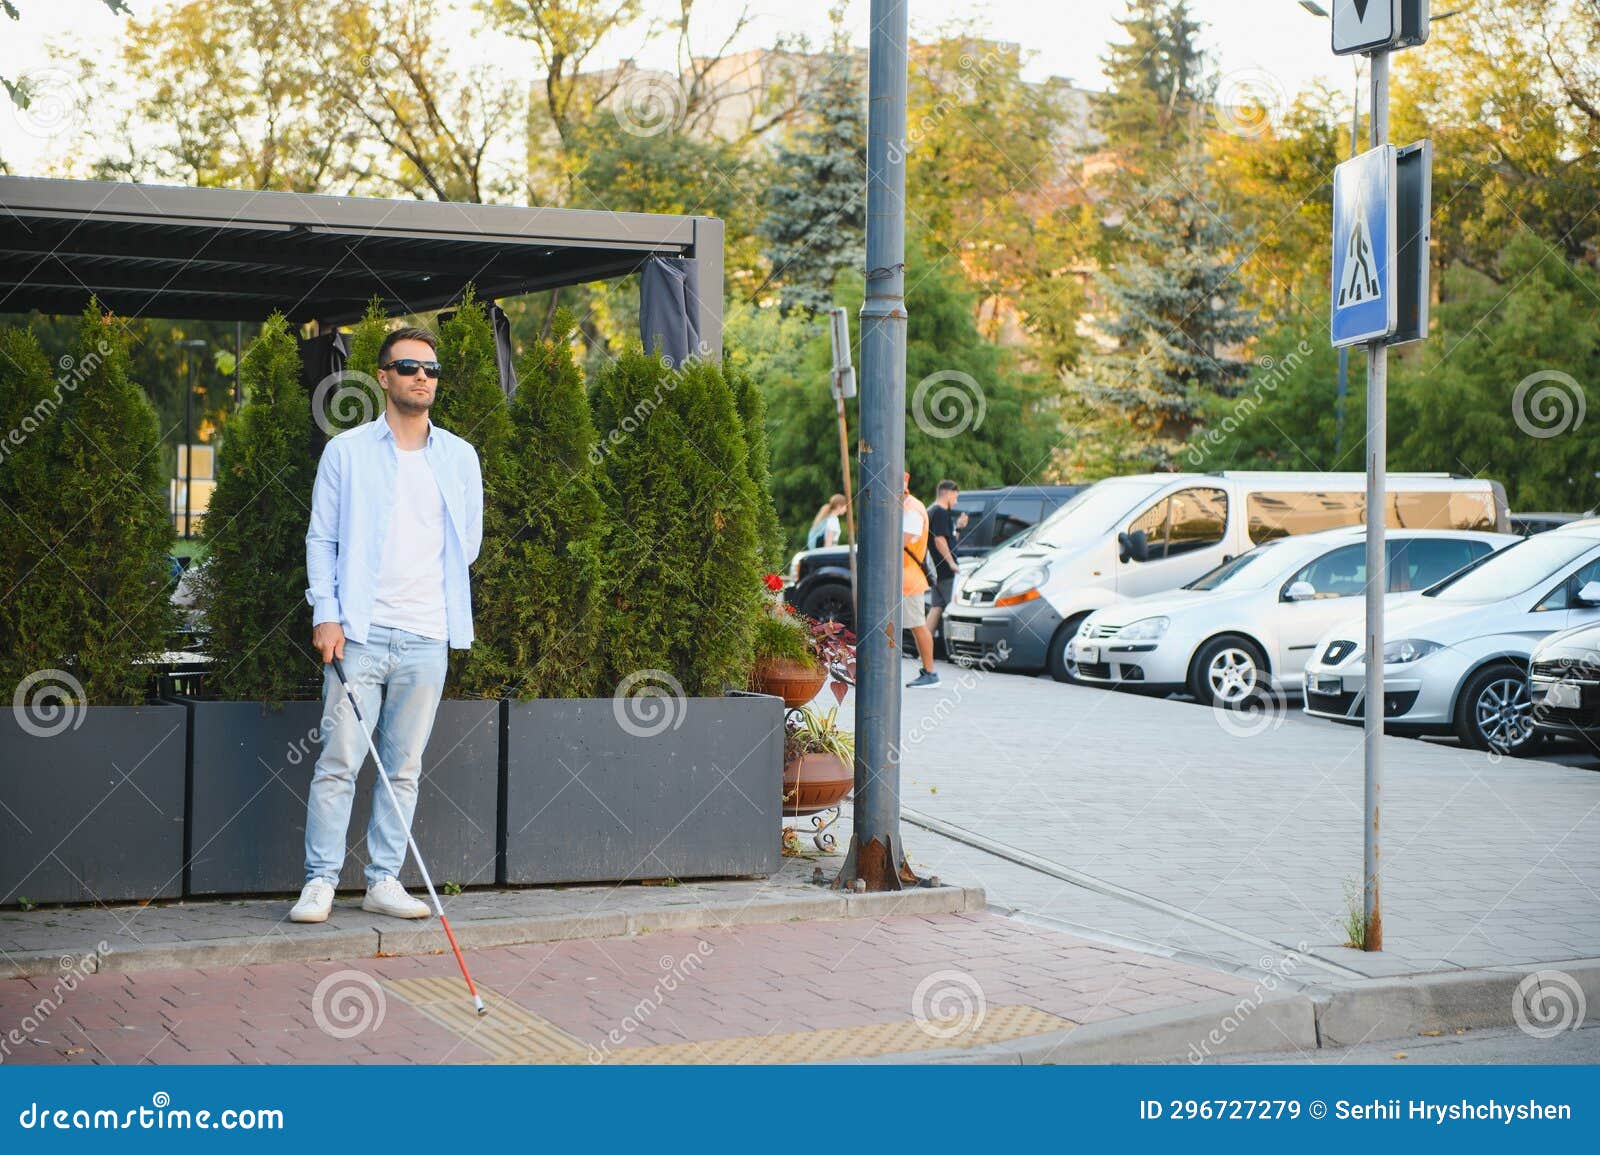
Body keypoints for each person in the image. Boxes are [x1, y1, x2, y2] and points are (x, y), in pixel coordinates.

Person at [291, 326, 484, 924]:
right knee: (339, 761)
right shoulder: (346, 452)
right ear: (382, 377)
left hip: (428, 636)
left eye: (431, 369)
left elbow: (468, 544)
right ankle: (320, 882)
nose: (422, 377)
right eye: (408, 367)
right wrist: (326, 614)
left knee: (403, 769)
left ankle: (383, 881)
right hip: (360, 634)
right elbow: (321, 539)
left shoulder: (460, 456)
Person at [902, 472, 939, 688]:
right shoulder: (907, 507)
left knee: (917, 625)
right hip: (903, 578)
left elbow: (898, 541)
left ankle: (930, 672)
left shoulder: (912, 510)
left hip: (908, 580)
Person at [924, 479, 966, 639]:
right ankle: (956, 646)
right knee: (954, 609)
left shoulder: (932, 511)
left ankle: (924, 645)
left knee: (937, 607)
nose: (956, 501)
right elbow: (939, 540)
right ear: (948, 494)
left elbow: (949, 542)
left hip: (936, 570)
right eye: (955, 497)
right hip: (945, 571)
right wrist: (951, 563)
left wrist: (959, 527)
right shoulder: (940, 512)